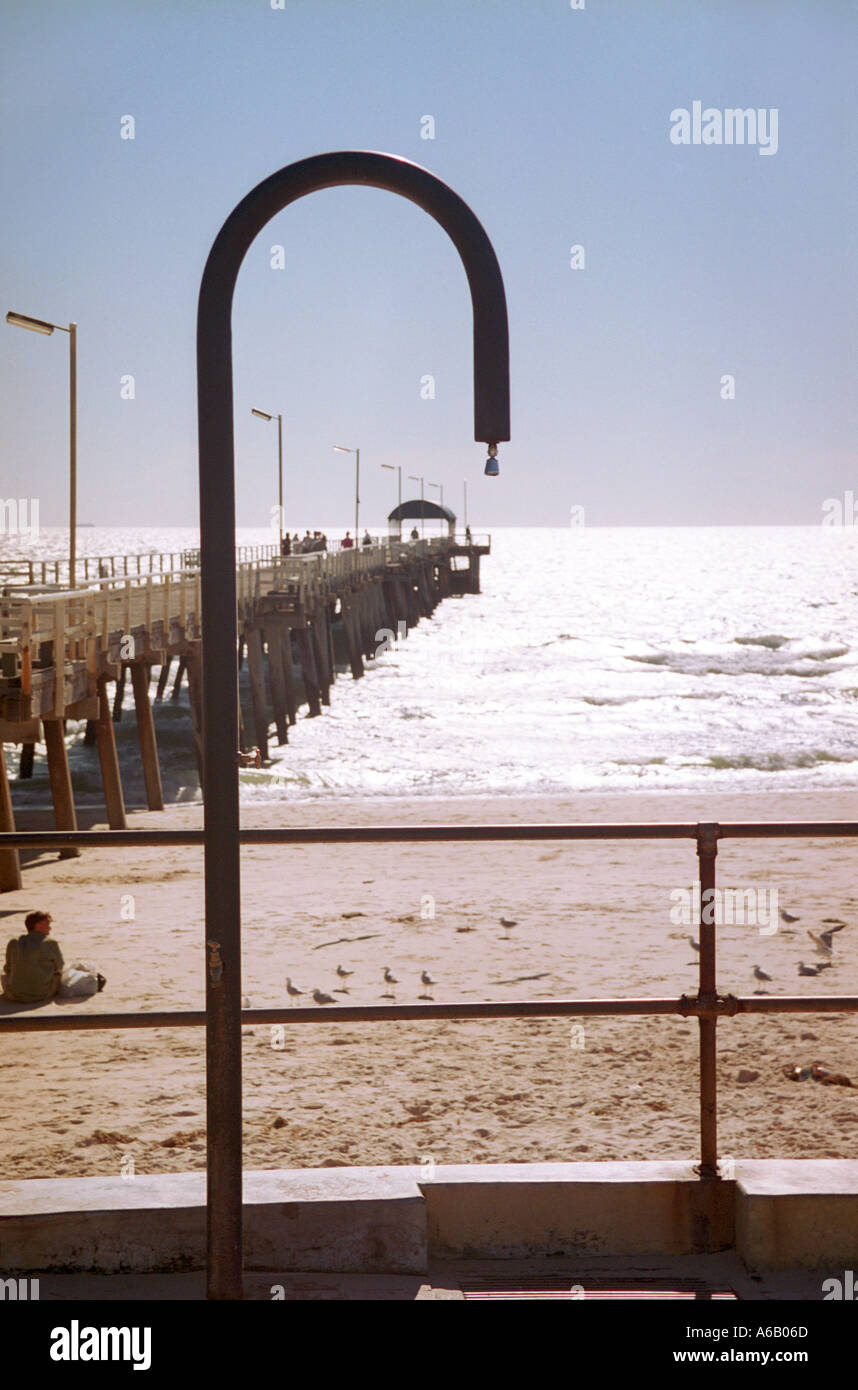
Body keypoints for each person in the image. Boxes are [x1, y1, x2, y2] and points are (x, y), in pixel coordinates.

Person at [2, 911, 64, 1003]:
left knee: (4, 976)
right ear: (38, 925)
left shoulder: (14, 942)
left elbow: (7, 968)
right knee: (59, 975)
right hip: (41, 994)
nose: (50, 928)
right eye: (47, 924)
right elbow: (59, 966)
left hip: (13, 995)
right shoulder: (50, 943)